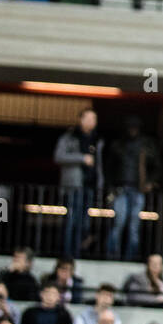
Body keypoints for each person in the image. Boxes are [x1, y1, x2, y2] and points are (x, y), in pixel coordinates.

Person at [105, 115, 159, 261]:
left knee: (134, 225)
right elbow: (109, 168)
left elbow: (155, 166)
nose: (132, 130)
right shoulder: (119, 145)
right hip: (121, 187)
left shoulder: (146, 145)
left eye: (135, 128)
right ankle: (113, 255)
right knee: (119, 221)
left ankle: (130, 256)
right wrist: (110, 187)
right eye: (130, 127)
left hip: (137, 188)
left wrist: (150, 182)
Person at [55, 107, 103, 257]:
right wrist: (82, 158)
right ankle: (67, 253)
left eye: (94, 119)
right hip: (73, 185)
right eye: (88, 118)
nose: (91, 121)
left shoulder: (97, 140)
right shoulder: (69, 137)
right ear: (81, 119)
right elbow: (59, 156)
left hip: (89, 185)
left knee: (84, 222)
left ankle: (78, 252)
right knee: (71, 219)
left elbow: (99, 164)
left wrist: (100, 182)